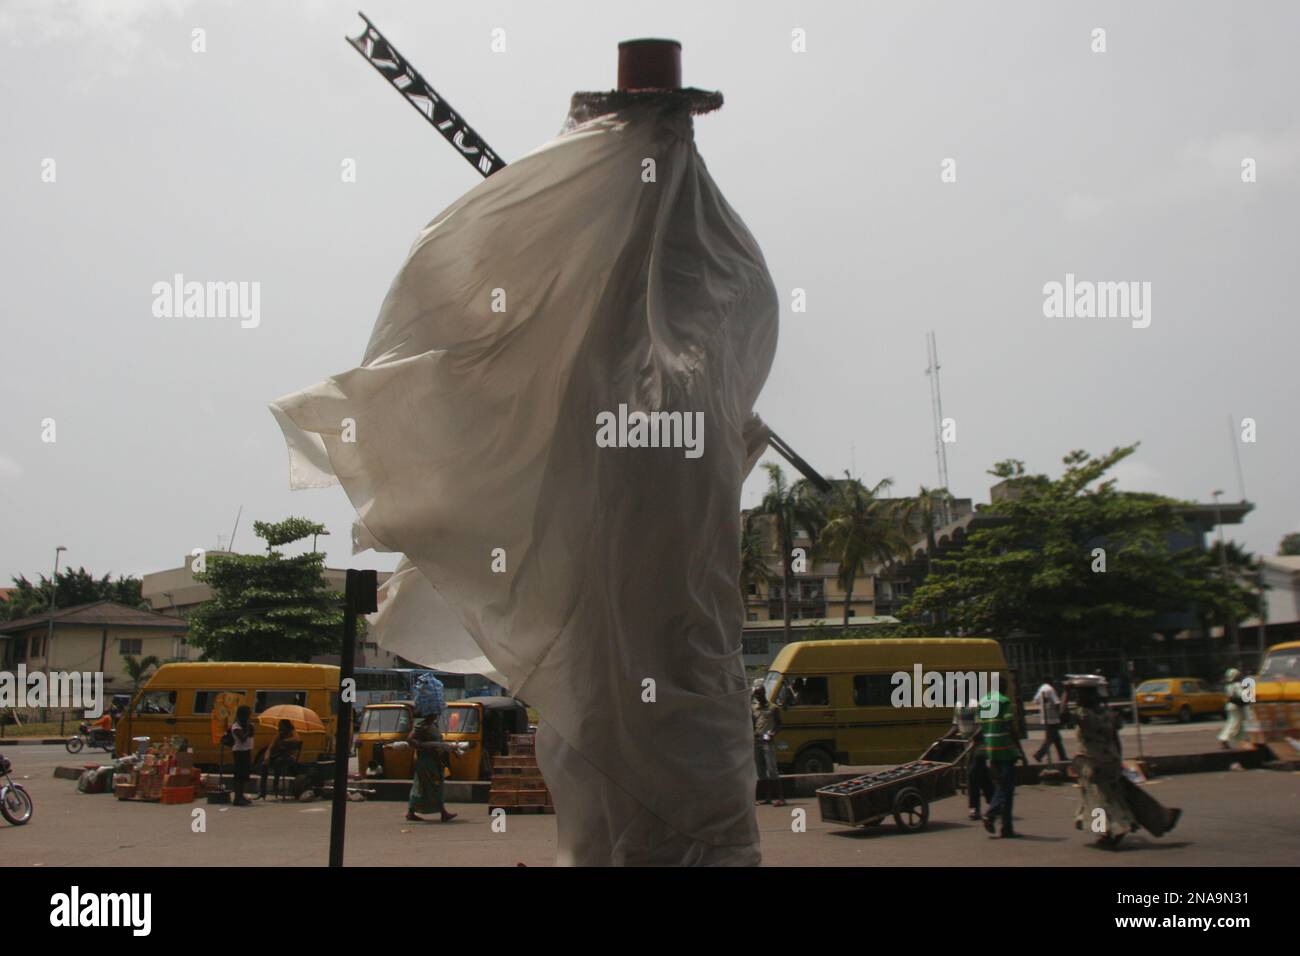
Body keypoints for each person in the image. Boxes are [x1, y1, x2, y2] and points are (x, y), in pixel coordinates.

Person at [1069, 675, 1180, 849]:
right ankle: (1161, 817)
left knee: (1099, 801)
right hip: (1109, 761)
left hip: (1094, 764)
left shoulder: (1084, 715)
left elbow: (1061, 716)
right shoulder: (1108, 714)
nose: (1078, 698)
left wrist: (1065, 693)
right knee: (1119, 795)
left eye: (1080, 694)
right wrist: (1118, 759)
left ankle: (1110, 830)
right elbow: (1116, 739)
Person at [979, 686, 1023, 838]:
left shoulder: (983, 702)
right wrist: (1020, 750)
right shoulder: (1005, 702)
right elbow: (1009, 727)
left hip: (991, 750)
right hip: (1005, 750)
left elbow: (981, 728)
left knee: (1004, 788)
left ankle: (1007, 828)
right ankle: (991, 814)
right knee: (1006, 787)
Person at [406, 713, 462, 823]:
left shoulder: (433, 725)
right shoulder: (421, 725)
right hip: (425, 761)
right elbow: (410, 740)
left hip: (435, 760)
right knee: (428, 786)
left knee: (431, 786)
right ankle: (441, 813)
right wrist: (427, 745)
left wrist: (449, 748)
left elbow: (439, 742)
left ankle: (412, 812)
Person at [952, 697, 992, 820]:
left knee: (972, 775)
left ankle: (974, 808)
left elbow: (982, 726)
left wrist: (974, 737)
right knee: (983, 776)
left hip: (980, 746)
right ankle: (995, 802)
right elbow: (955, 726)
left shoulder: (975, 705)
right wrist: (942, 738)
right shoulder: (957, 706)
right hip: (968, 746)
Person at [751, 685, 785, 807]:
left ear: (764, 693)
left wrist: (772, 733)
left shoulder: (773, 708)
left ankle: (781, 798)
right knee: (761, 771)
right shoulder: (754, 708)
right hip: (757, 741)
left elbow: (779, 724)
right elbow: (753, 724)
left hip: (767, 741)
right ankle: (767, 797)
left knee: (772, 769)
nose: (758, 697)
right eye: (756, 695)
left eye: (759, 694)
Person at [257, 719, 301, 800]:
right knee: (264, 766)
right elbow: (269, 748)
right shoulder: (279, 735)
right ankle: (262, 792)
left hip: (289, 757)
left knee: (278, 762)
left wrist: (285, 740)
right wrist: (266, 757)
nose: (280, 728)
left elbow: (297, 739)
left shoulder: (292, 733)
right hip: (279, 756)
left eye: (282, 726)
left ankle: (275, 784)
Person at [1033, 677, 1068, 763]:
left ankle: (1062, 756)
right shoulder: (1050, 689)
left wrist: (1044, 701)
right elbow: (1057, 702)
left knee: (1056, 738)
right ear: (1049, 681)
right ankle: (1039, 754)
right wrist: (1060, 713)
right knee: (1050, 738)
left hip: (1045, 717)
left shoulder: (1041, 688)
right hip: (1053, 717)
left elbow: (1035, 700)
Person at [230, 705, 256, 806]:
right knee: (239, 776)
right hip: (239, 752)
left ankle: (241, 796)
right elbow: (243, 738)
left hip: (246, 751)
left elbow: (251, 735)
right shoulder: (236, 726)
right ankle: (237, 798)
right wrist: (249, 728)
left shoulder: (246, 725)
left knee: (244, 775)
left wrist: (250, 727)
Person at [1219, 668, 1250, 750]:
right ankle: (1224, 739)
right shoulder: (1237, 685)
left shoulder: (1228, 686)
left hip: (1230, 706)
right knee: (1234, 723)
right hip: (1236, 706)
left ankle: (1242, 740)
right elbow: (1241, 695)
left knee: (1239, 723)